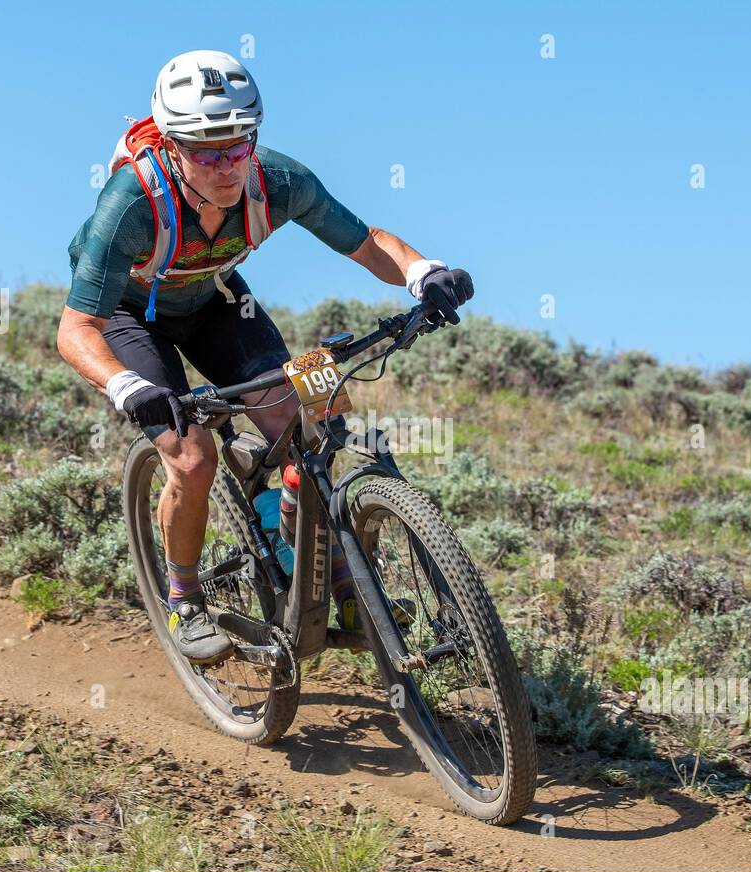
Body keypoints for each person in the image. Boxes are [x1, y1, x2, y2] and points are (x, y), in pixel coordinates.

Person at [58, 51, 473, 666]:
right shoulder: (132, 204)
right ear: (172, 146)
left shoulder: (277, 180)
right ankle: (184, 598)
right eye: (205, 150)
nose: (226, 165)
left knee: (318, 414)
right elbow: (75, 330)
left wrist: (421, 271)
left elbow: (367, 242)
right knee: (192, 457)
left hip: (218, 300)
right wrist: (123, 386)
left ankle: (325, 564)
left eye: (238, 144)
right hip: (127, 314)